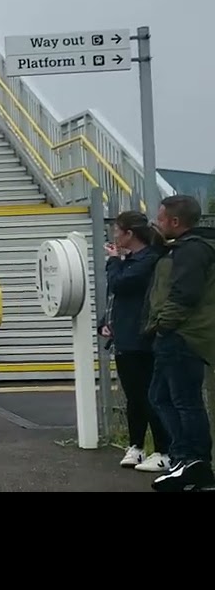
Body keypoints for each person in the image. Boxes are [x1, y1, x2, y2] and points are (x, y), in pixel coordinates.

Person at [143, 194, 215, 492]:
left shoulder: (191, 251)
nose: (156, 224)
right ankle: (187, 459)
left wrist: (163, 326)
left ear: (175, 221)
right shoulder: (182, 249)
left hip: (184, 336)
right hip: (181, 334)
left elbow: (185, 293)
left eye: (160, 218)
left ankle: (193, 460)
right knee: (161, 396)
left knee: (184, 400)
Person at [103, 211, 169, 471]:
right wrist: (105, 322)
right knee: (134, 396)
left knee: (152, 395)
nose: (115, 235)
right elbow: (115, 297)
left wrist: (113, 262)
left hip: (143, 337)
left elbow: (120, 284)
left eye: (118, 230)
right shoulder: (128, 260)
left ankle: (163, 449)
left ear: (130, 233)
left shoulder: (150, 260)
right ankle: (136, 445)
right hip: (124, 335)